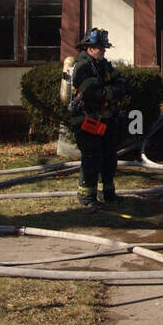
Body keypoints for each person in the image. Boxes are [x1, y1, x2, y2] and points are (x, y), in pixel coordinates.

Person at [65, 27, 126, 213]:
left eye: (104, 47)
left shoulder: (102, 65)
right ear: (89, 47)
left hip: (104, 121)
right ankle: (87, 198)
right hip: (86, 121)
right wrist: (110, 91)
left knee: (109, 157)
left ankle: (108, 193)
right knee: (92, 159)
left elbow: (123, 82)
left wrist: (111, 90)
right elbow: (94, 95)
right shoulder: (83, 67)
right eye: (100, 47)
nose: (104, 50)